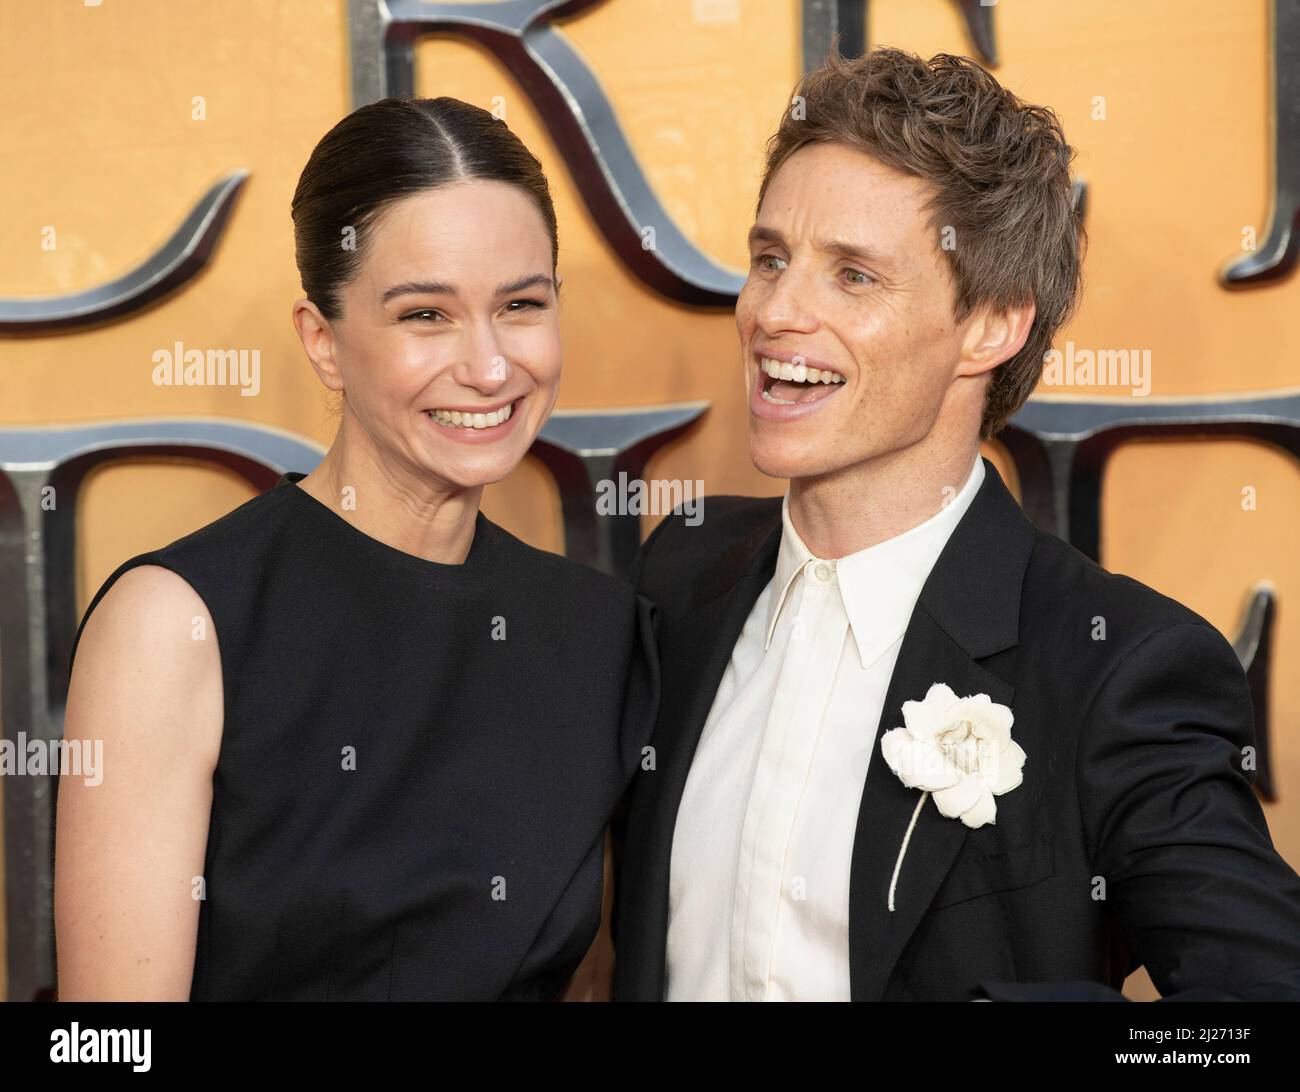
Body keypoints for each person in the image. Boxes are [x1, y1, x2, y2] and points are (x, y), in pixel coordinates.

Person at [611, 47, 1300, 1002]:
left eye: (853, 276)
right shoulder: (679, 574)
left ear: (991, 327)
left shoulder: (1118, 669)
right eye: (771, 259)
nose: (776, 311)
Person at [55, 96, 657, 1001]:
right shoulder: (177, 625)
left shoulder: (598, 632)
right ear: (323, 342)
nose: (490, 367)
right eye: (426, 315)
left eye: (521, 306)